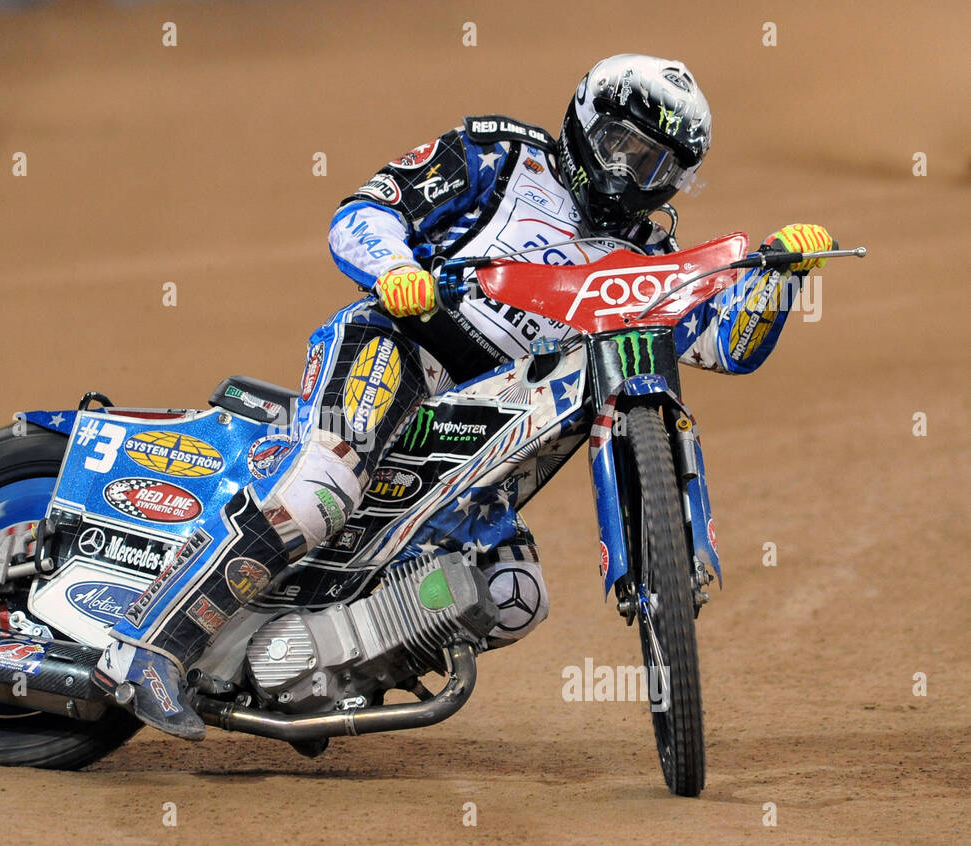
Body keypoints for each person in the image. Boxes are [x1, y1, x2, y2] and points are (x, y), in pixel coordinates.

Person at [91, 53, 835, 741]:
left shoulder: (646, 262)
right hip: (409, 347)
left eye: (658, 165)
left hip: (486, 447)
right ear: (583, 121)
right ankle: (145, 646)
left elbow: (724, 344)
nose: (632, 175)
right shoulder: (501, 155)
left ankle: (308, 678)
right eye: (622, 146)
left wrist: (781, 273)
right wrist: (396, 269)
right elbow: (364, 210)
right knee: (323, 482)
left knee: (513, 593)